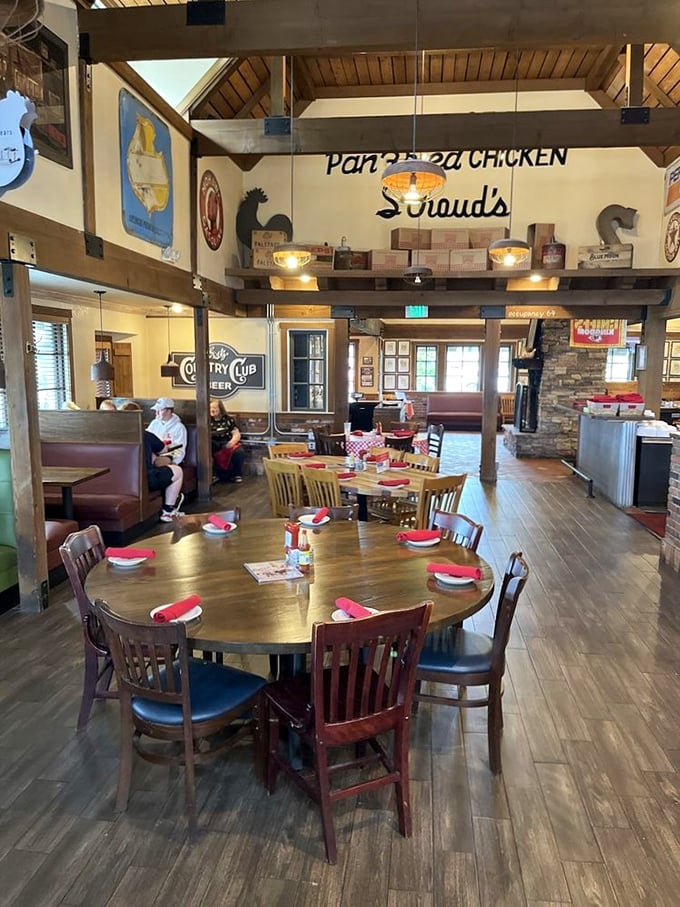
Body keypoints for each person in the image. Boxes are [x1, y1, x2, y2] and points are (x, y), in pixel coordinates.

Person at [143, 430, 185, 522]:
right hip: (145, 481)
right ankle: (168, 511)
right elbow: (163, 450)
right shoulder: (144, 434)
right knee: (178, 471)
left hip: (117, 483)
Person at [210, 398, 245, 483]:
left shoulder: (229, 419)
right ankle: (214, 475)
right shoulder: (206, 420)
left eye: (215, 408)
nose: (213, 410)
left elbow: (236, 433)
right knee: (208, 449)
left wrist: (231, 443)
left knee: (239, 451)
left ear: (220, 409)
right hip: (212, 442)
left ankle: (236, 474)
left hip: (227, 441)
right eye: (211, 408)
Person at [147, 397, 187, 465]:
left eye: (159, 410)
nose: (156, 413)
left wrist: (174, 462)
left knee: (156, 462)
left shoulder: (179, 427)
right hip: (154, 453)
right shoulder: (154, 423)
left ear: (168, 411)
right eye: (156, 410)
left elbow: (180, 450)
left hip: (170, 456)